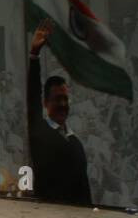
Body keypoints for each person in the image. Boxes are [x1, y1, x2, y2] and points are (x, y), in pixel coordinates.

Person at [27, 18, 93, 206]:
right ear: (46, 103)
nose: (63, 104)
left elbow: (83, 185)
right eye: (57, 99)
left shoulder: (75, 141)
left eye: (65, 99)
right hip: (51, 216)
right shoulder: (40, 133)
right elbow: (32, 97)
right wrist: (34, 55)